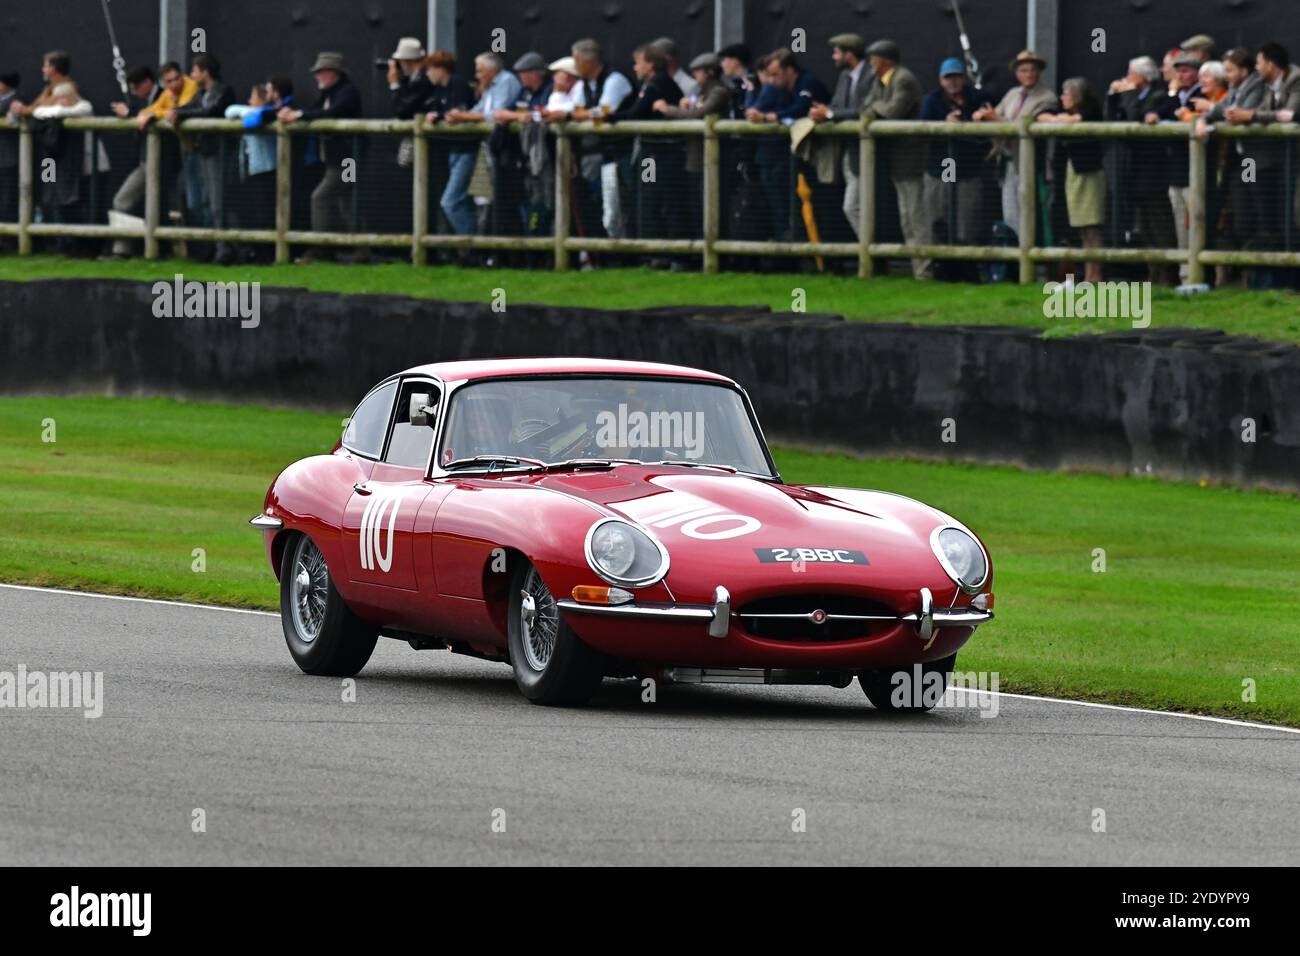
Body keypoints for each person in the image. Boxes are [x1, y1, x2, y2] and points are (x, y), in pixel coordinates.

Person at [278, 51, 362, 262]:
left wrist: (298, 115)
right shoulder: (328, 94)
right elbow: (313, 111)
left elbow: (333, 112)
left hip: (348, 161)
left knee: (321, 197)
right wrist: (291, 113)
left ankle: (321, 250)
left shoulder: (347, 93)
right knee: (346, 201)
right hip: (336, 160)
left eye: (321, 72)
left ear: (334, 73)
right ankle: (362, 248)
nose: (317, 76)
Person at [858, 40, 927, 277]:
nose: (870, 64)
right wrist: (876, 107)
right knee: (906, 218)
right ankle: (919, 272)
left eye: (873, 59)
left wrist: (876, 107)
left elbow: (891, 111)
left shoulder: (903, 79)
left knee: (915, 218)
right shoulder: (881, 81)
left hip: (911, 158)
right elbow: (865, 107)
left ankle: (924, 272)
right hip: (896, 160)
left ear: (884, 60)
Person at [1105, 55, 1174, 281]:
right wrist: (1113, 96)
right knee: (1144, 227)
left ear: (1142, 77)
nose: (1126, 78)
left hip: (1152, 172)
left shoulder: (1158, 96)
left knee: (1159, 224)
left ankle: (1167, 274)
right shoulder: (1133, 95)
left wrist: (1129, 93)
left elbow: (1135, 118)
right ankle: (1153, 273)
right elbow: (1112, 120)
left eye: (1130, 73)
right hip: (1132, 170)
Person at [973, 50, 1057, 230]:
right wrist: (982, 116)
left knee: (1033, 216)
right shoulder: (1012, 94)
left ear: (1039, 72)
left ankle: (1035, 257)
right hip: (1008, 163)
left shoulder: (1047, 97)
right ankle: (1016, 256)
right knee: (1011, 216)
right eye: (1024, 70)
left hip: (1033, 166)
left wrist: (995, 119)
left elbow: (1022, 125)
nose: (1028, 74)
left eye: (1032, 70)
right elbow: (996, 113)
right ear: (1017, 74)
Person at [918, 58, 992, 253]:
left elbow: (989, 132)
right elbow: (921, 131)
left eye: (957, 77)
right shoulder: (932, 100)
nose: (953, 82)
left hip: (969, 168)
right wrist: (944, 123)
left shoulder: (979, 98)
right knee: (938, 217)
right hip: (942, 167)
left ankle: (965, 265)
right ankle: (940, 264)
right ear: (941, 80)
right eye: (948, 78)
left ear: (964, 78)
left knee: (967, 222)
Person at [169, 53, 236, 261]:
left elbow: (211, 111)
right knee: (205, 202)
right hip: (204, 152)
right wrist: (176, 111)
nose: (191, 75)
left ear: (205, 72)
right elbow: (192, 107)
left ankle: (226, 247)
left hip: (219, 153)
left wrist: (182, 115)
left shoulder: (224, 91)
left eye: (195, 71)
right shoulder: (201, 93)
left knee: (218, 203)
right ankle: (212, 247)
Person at [1038, 77, 1105, 283]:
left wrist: (1061, 120)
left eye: (1065, 94)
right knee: (1082, 227)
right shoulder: (1067, 113)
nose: (1062, 98)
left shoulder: (1092, 110)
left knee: (1092, 225)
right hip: (1073, 173)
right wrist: (1059, 119)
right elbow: (1041, 117)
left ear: (1076, 95)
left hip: (1089, 173)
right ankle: (1089, 272)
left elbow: (1079, 120)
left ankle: (1096, 274)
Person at [569, 39, 634, 240]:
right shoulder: (584, 85)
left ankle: (625, 251)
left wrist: (579, 115)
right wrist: (581, 114)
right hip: (596, 155)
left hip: (621, 154)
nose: (574, 66)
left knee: (620, 203)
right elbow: (577, 109)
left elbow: (604, 112)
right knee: (597, 202)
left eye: (576, 60)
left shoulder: (615, 80)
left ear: (589, 61)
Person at [808, 33, 872, 237]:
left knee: (852, 207)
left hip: (868, 153)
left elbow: (866, 110)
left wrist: (828, 114)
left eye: (836, 52)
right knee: (855, 206)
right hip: (848, 152)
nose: (833, 57)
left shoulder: (872, 75)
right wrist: (823, 112)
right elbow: (837, 106)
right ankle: (870, 256)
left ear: (849, 54)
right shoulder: (845, 76)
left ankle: (871, 254)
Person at [103, 66, 160, 259]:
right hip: (149, 162)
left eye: (135, 88)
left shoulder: (162, 96)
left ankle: (123, 250)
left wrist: (129, 112)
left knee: (122, 200)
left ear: (147, 83)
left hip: (157, 163)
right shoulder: (150, 101)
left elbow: (156, 112)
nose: (134, 93)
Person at [421, 51, 476, 237]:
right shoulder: (439, 90)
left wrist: (441, 116)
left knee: (449, 201)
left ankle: (470, 245)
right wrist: (433, 115)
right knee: (461, 201)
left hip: (467, 150)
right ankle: (470, 249)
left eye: (430, 69)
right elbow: (439, 111)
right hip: (452, 150)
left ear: (441, 69)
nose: (428, 74)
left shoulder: (458, 84)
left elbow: (457, 113)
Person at [7, 50, 76, 119]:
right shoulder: (49, 88)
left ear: (53, 69)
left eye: (45, 66)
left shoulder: (65, 89)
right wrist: (20, 109)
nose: (43, 69)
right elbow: (36, 106)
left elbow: (42, 108)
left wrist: (22, 109)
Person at [718, 43, 758, 118]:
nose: (722, 65)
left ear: (735, 61)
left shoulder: (753, 82)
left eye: (724, 60)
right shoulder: (736, 84)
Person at [0, 72, 18, 235]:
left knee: (7, 200)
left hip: (8, 160)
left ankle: (7, 238)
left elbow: (13, 121)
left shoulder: (16, 101)